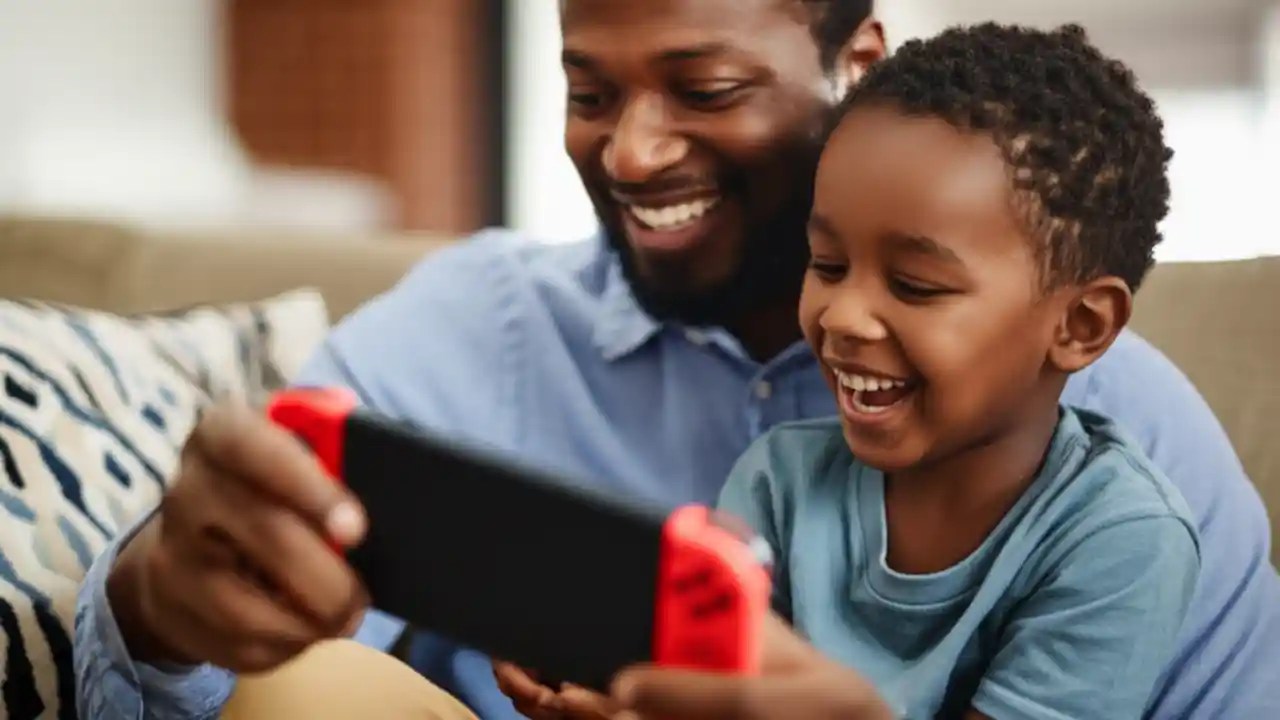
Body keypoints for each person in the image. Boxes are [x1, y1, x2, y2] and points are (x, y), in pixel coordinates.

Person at [74, 0, 1279, 718]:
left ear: (854, 67)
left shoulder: (1123, 457)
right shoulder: (467, 330)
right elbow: (223, 655)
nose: (632, 154)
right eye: (588, 92)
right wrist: (158, 606)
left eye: (704, 87)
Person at [499, 20, 1203, 719]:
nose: (842, 316)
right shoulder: (780, 478)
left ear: (1081, 326)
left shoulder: (1120, 536)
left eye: (915, 285)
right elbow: (710, 693)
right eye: (828, 266)